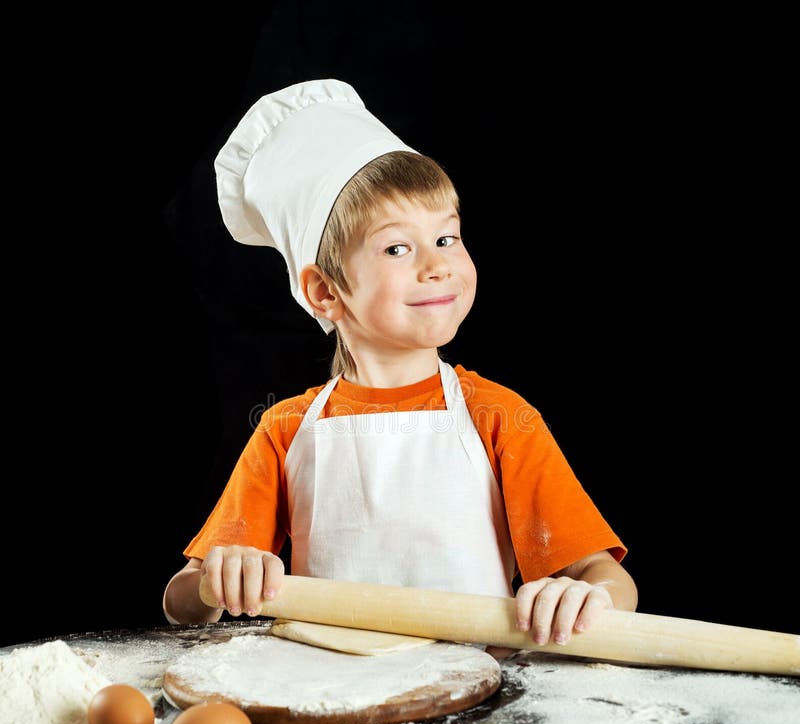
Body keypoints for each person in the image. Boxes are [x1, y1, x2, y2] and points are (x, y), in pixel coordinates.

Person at [162, 79, 637, 652]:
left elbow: (605, 577)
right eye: (397, 248)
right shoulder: (286, 431)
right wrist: (218, 580)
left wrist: (591, 597)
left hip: (473, 707)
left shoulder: (499, 418)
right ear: (325, 292)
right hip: (332, 706)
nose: (438, 266)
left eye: (447, 237)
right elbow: (182, 600)